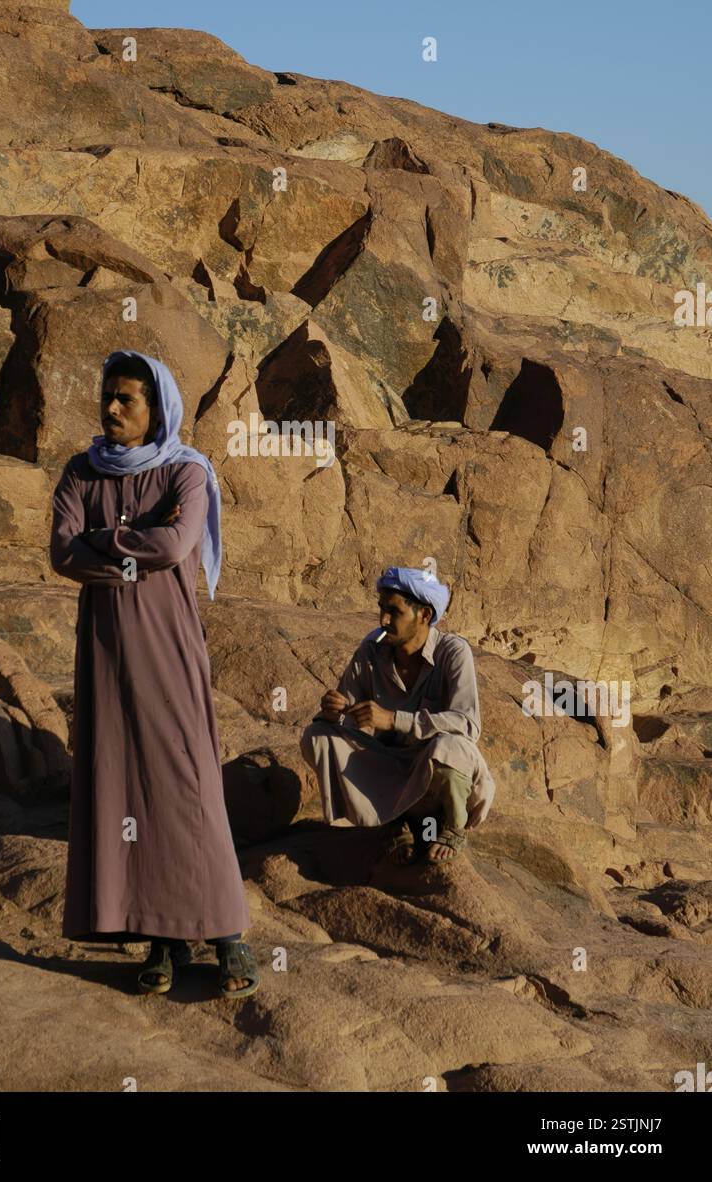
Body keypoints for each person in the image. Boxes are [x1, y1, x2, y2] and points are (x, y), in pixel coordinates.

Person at [49, 349, 259, 997]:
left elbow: (175, 547)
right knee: (125, 792)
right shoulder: (81, 470)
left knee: (186, 785)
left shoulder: (186, 472)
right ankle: (161, 940)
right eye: (108, 396)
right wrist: (134, 538)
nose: (111, 409)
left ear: (157, 408)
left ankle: (226, 938)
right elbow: (61, 553)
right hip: (107, 653)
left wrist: (102, 542)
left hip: (166, 647)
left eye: (127, 400)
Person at [300, 566, 495, 865]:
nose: (383, 620)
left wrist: (394, 719)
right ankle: (393, 822)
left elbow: (467, 725)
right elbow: (350, 715)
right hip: (390, 772)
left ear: (425, 615)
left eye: (394, 612)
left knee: (449, 748)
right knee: (318, 737)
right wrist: (333, 713)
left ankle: (453, 828)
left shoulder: (453, 653)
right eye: (381, 609)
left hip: (434, 772)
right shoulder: (370, 651)